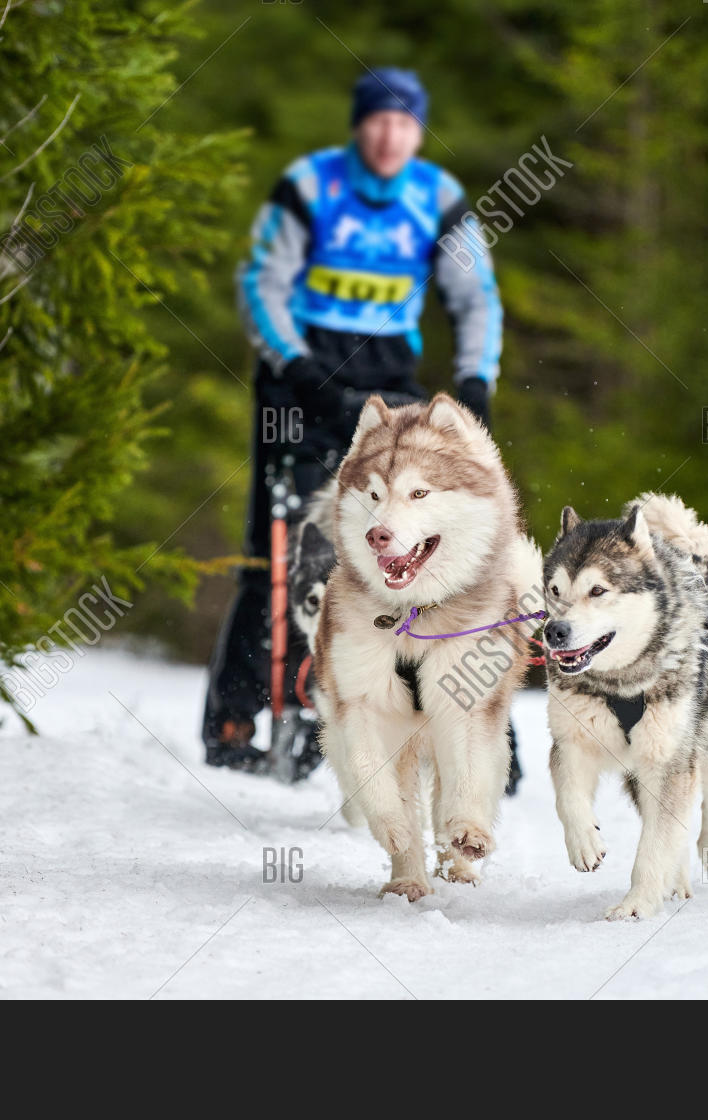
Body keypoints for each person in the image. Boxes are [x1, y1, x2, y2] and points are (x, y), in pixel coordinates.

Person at [203, 67, 505, 773]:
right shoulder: (312, 185)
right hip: (300, 379)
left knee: (410, 549)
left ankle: (448, 727)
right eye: (378, 121)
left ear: (418, 132)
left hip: (390, 381)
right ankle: (237, 719)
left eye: (404, 123)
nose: (389, 135)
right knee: (276, 549)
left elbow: (477, 297)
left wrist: (475, 381)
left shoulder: (438, 197)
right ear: (358, 125)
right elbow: (261, 284)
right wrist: (297, 367)